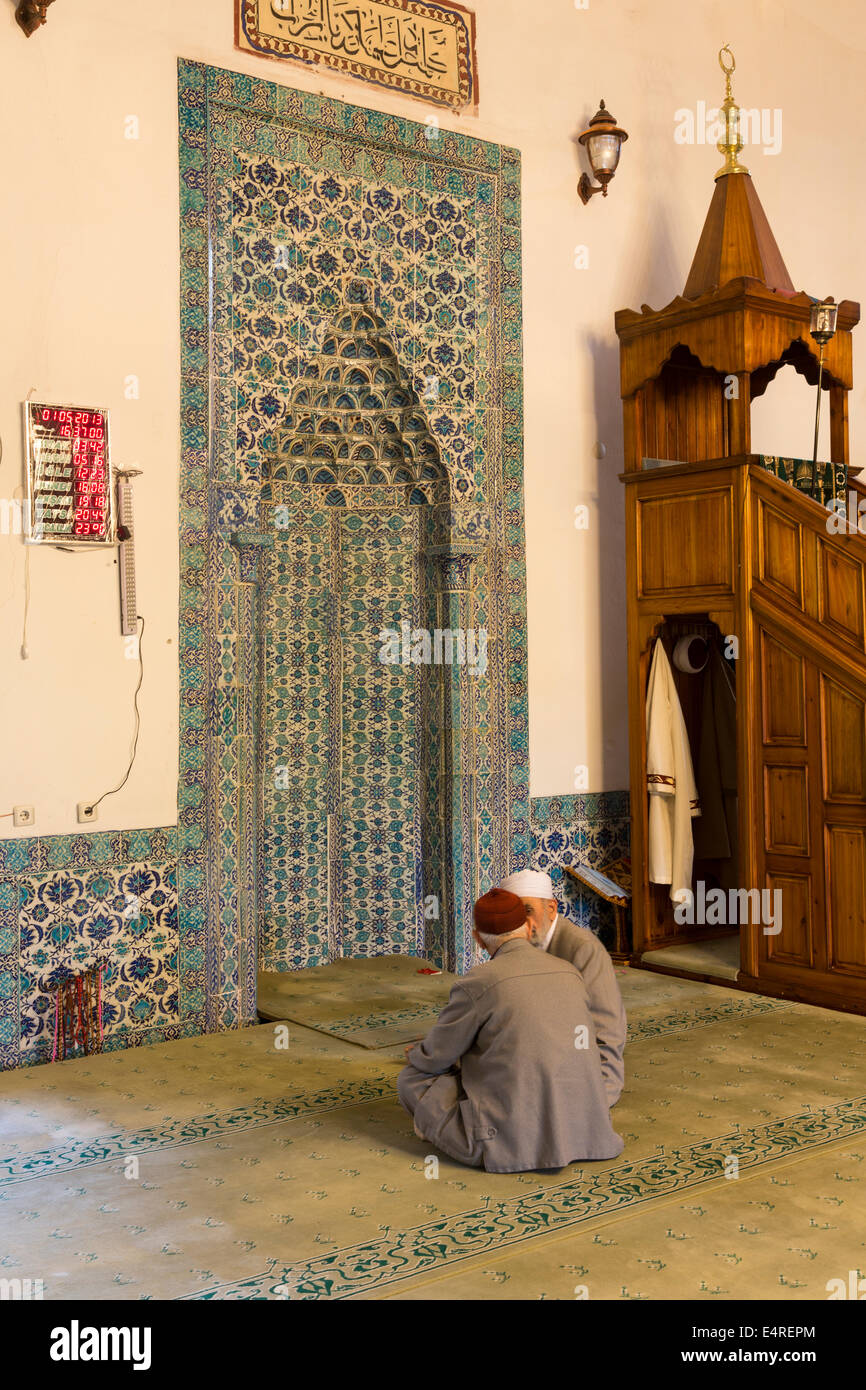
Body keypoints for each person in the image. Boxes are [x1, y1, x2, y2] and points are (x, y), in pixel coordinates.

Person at [396, 888, 624, 1173]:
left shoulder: (478, 981)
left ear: (478, 939)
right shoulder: (569, 971)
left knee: (412, 1079)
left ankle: (473, 1138)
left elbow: (435, 1058)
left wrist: (417, 1054)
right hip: (588, 1130)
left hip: (506, 1143)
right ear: (528, 927)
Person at [501, 869, 626, 1106]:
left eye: (527, 911)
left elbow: (606, 1031)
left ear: (551, 908)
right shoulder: (516, 943)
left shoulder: (583, 949)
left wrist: (602, 1090)